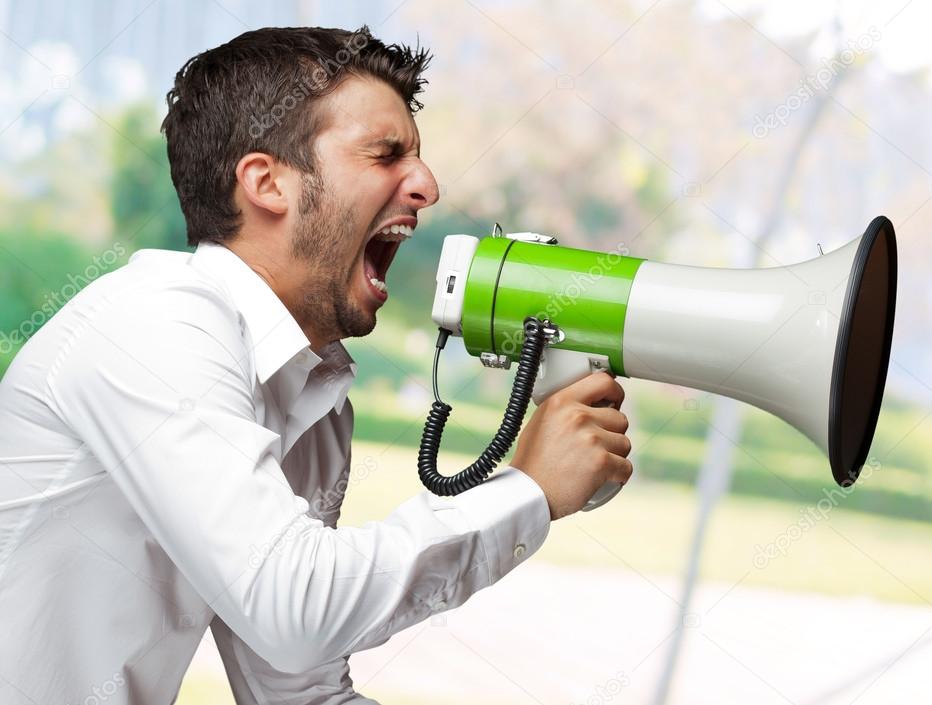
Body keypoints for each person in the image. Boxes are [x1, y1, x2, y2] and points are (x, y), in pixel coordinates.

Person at [0, 26, 632, 705]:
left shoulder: (315, 391)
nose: (427, 184)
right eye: (386, 154)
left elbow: (298, 686)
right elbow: (294, 606)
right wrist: (526, 490)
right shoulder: (154, 321)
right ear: (268, 182)